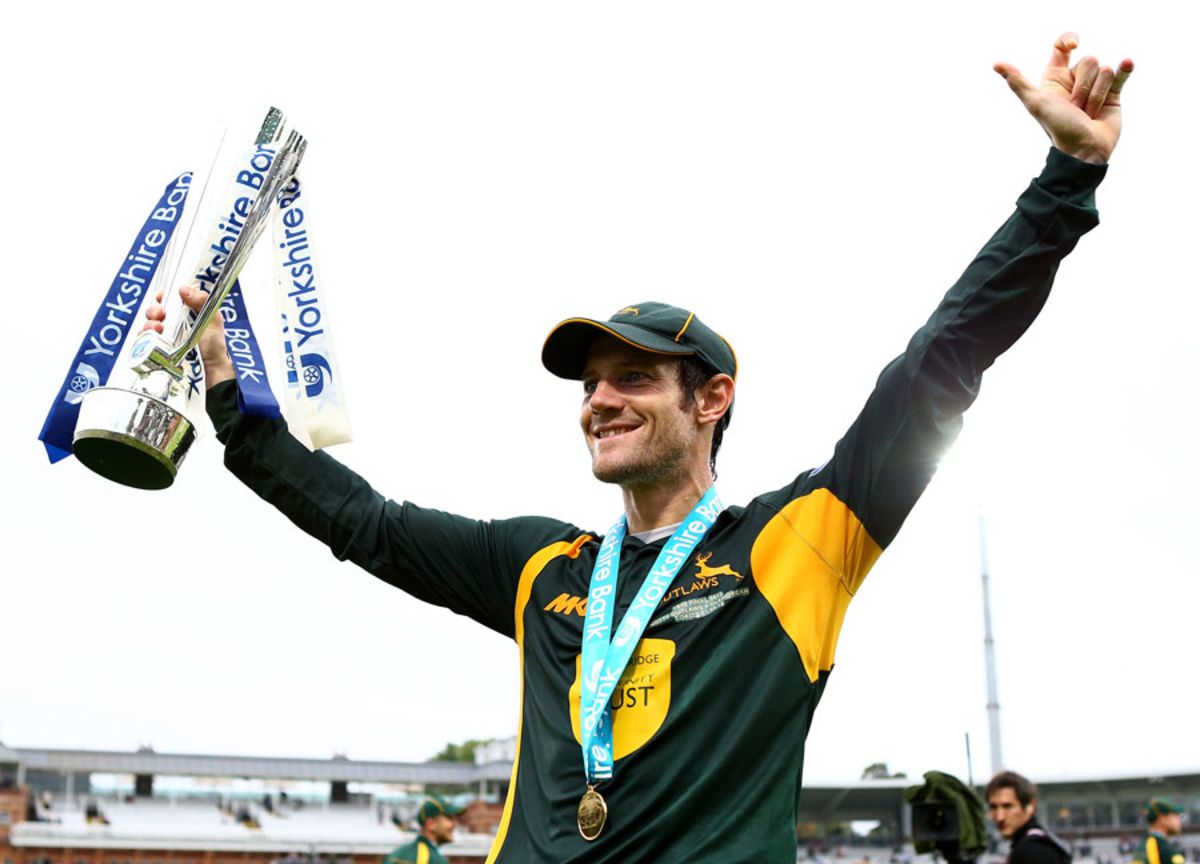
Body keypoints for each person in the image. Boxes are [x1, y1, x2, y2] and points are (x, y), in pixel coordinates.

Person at [145, 31, 1133, 864]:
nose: (600, 402)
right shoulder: (543, 567)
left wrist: (1066, 182)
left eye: (633, 379)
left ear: (712, 399)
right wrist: (231, 400)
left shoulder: (798, 547)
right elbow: (365, 524)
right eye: (589, 386)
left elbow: (938, 365)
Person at [985, 771, 1070, 864]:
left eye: (1007, 806)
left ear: (1030, 806)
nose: (999, 817)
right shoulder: (1038, 843)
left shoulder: (1031, 851)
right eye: (993, 807)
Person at [382, 795, 463, 864]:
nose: (455, 825)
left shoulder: (396, 854)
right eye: (450, 818)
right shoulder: (433, 859)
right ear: (431, 824)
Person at [1133, 799, 1188, 864]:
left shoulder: (1158, 843)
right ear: (1162, 818)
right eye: (1175, 815)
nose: (1179, 821)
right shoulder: (1153, 845)